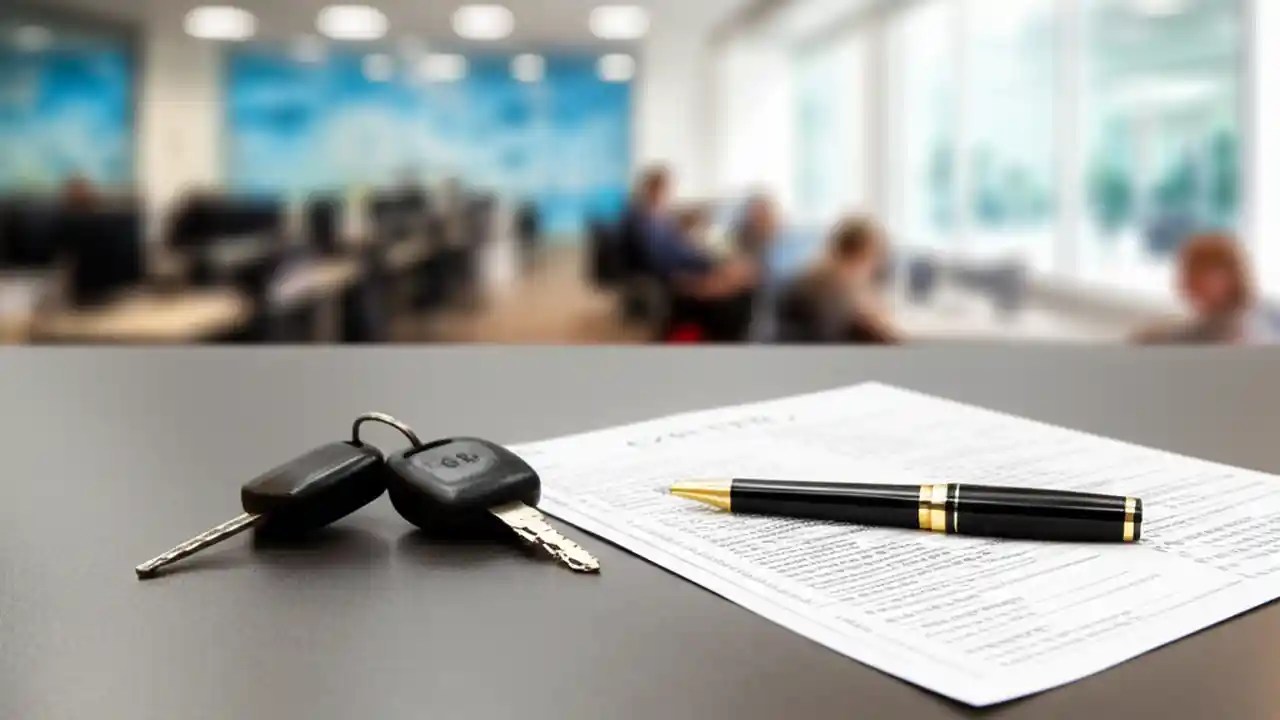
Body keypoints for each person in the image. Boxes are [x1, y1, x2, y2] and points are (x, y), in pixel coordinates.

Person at [621, 167, 759, 341]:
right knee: (734, 288)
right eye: (664, 190)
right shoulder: (643, 221)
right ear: (650, 189)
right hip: (676, 275)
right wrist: (700, 272)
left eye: (668, 190)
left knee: (741, 277)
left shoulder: (658, 215)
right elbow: (660, 260)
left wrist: (705, 257)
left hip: (685, 266)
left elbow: (677, 245)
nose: (668, 195)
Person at [777, 216, 901, 344]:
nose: (875, 266)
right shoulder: (831, 286)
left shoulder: (818, 272)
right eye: (874, 258)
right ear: (863, 254)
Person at [1136, 233, 1276, 345]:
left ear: (1229, 275)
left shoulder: (1252, 322)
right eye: (1185, 273)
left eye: (1197, 273)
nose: (1186, 283)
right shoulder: (1213, 322)